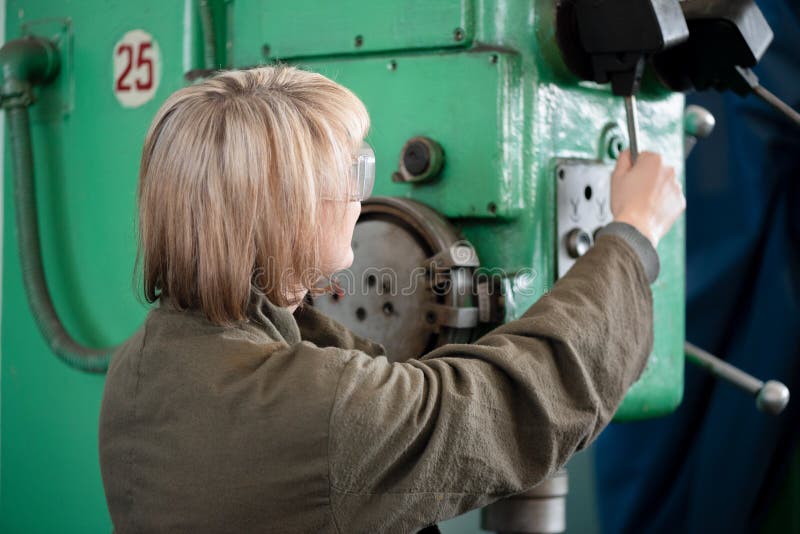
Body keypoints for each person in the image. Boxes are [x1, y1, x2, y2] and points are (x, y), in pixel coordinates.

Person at [98, 66, 685, 533]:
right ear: (288, 209)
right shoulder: (322, 414)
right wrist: (632, 234)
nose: (363, 196)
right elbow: (520, 402)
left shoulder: (141, 364)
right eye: (351, 172)